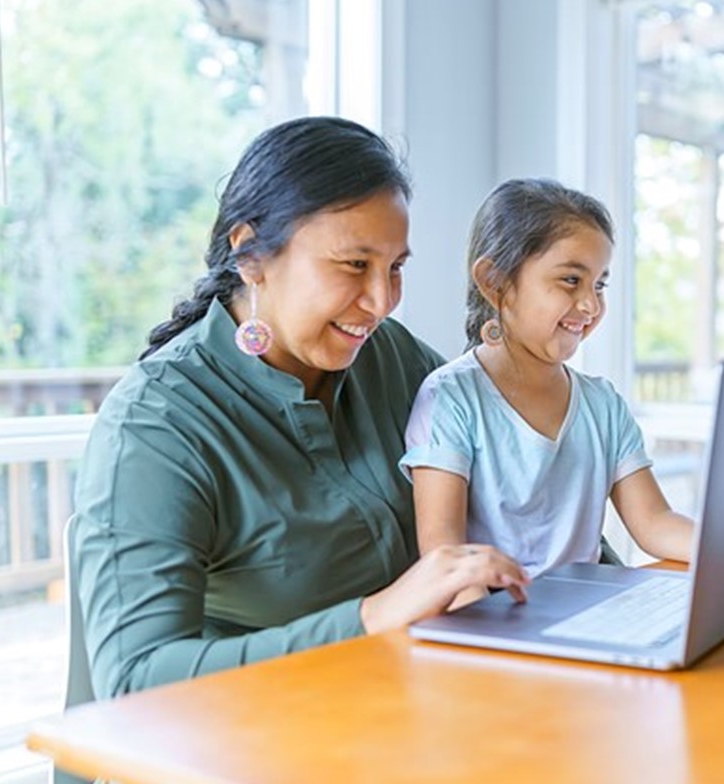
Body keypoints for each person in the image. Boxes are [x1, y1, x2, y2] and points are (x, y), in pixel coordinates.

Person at [71, 117, 530, 699]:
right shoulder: (155, 425)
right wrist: (372, 617)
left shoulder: (393, 359)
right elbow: (134, 681)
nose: (382, 301)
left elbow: (523, 481)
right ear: (251, 256)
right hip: (249, 743)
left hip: (411, 708)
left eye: (395, 268)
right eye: (354, 265)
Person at [400, 178, 724, 607]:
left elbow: (654, 523)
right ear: (495, 282)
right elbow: (445, 561)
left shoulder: (601, 404)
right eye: (570, 280)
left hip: (587, 615)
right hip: (498, 629)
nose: (590, 306)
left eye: (599, 284)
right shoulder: (451, 399)